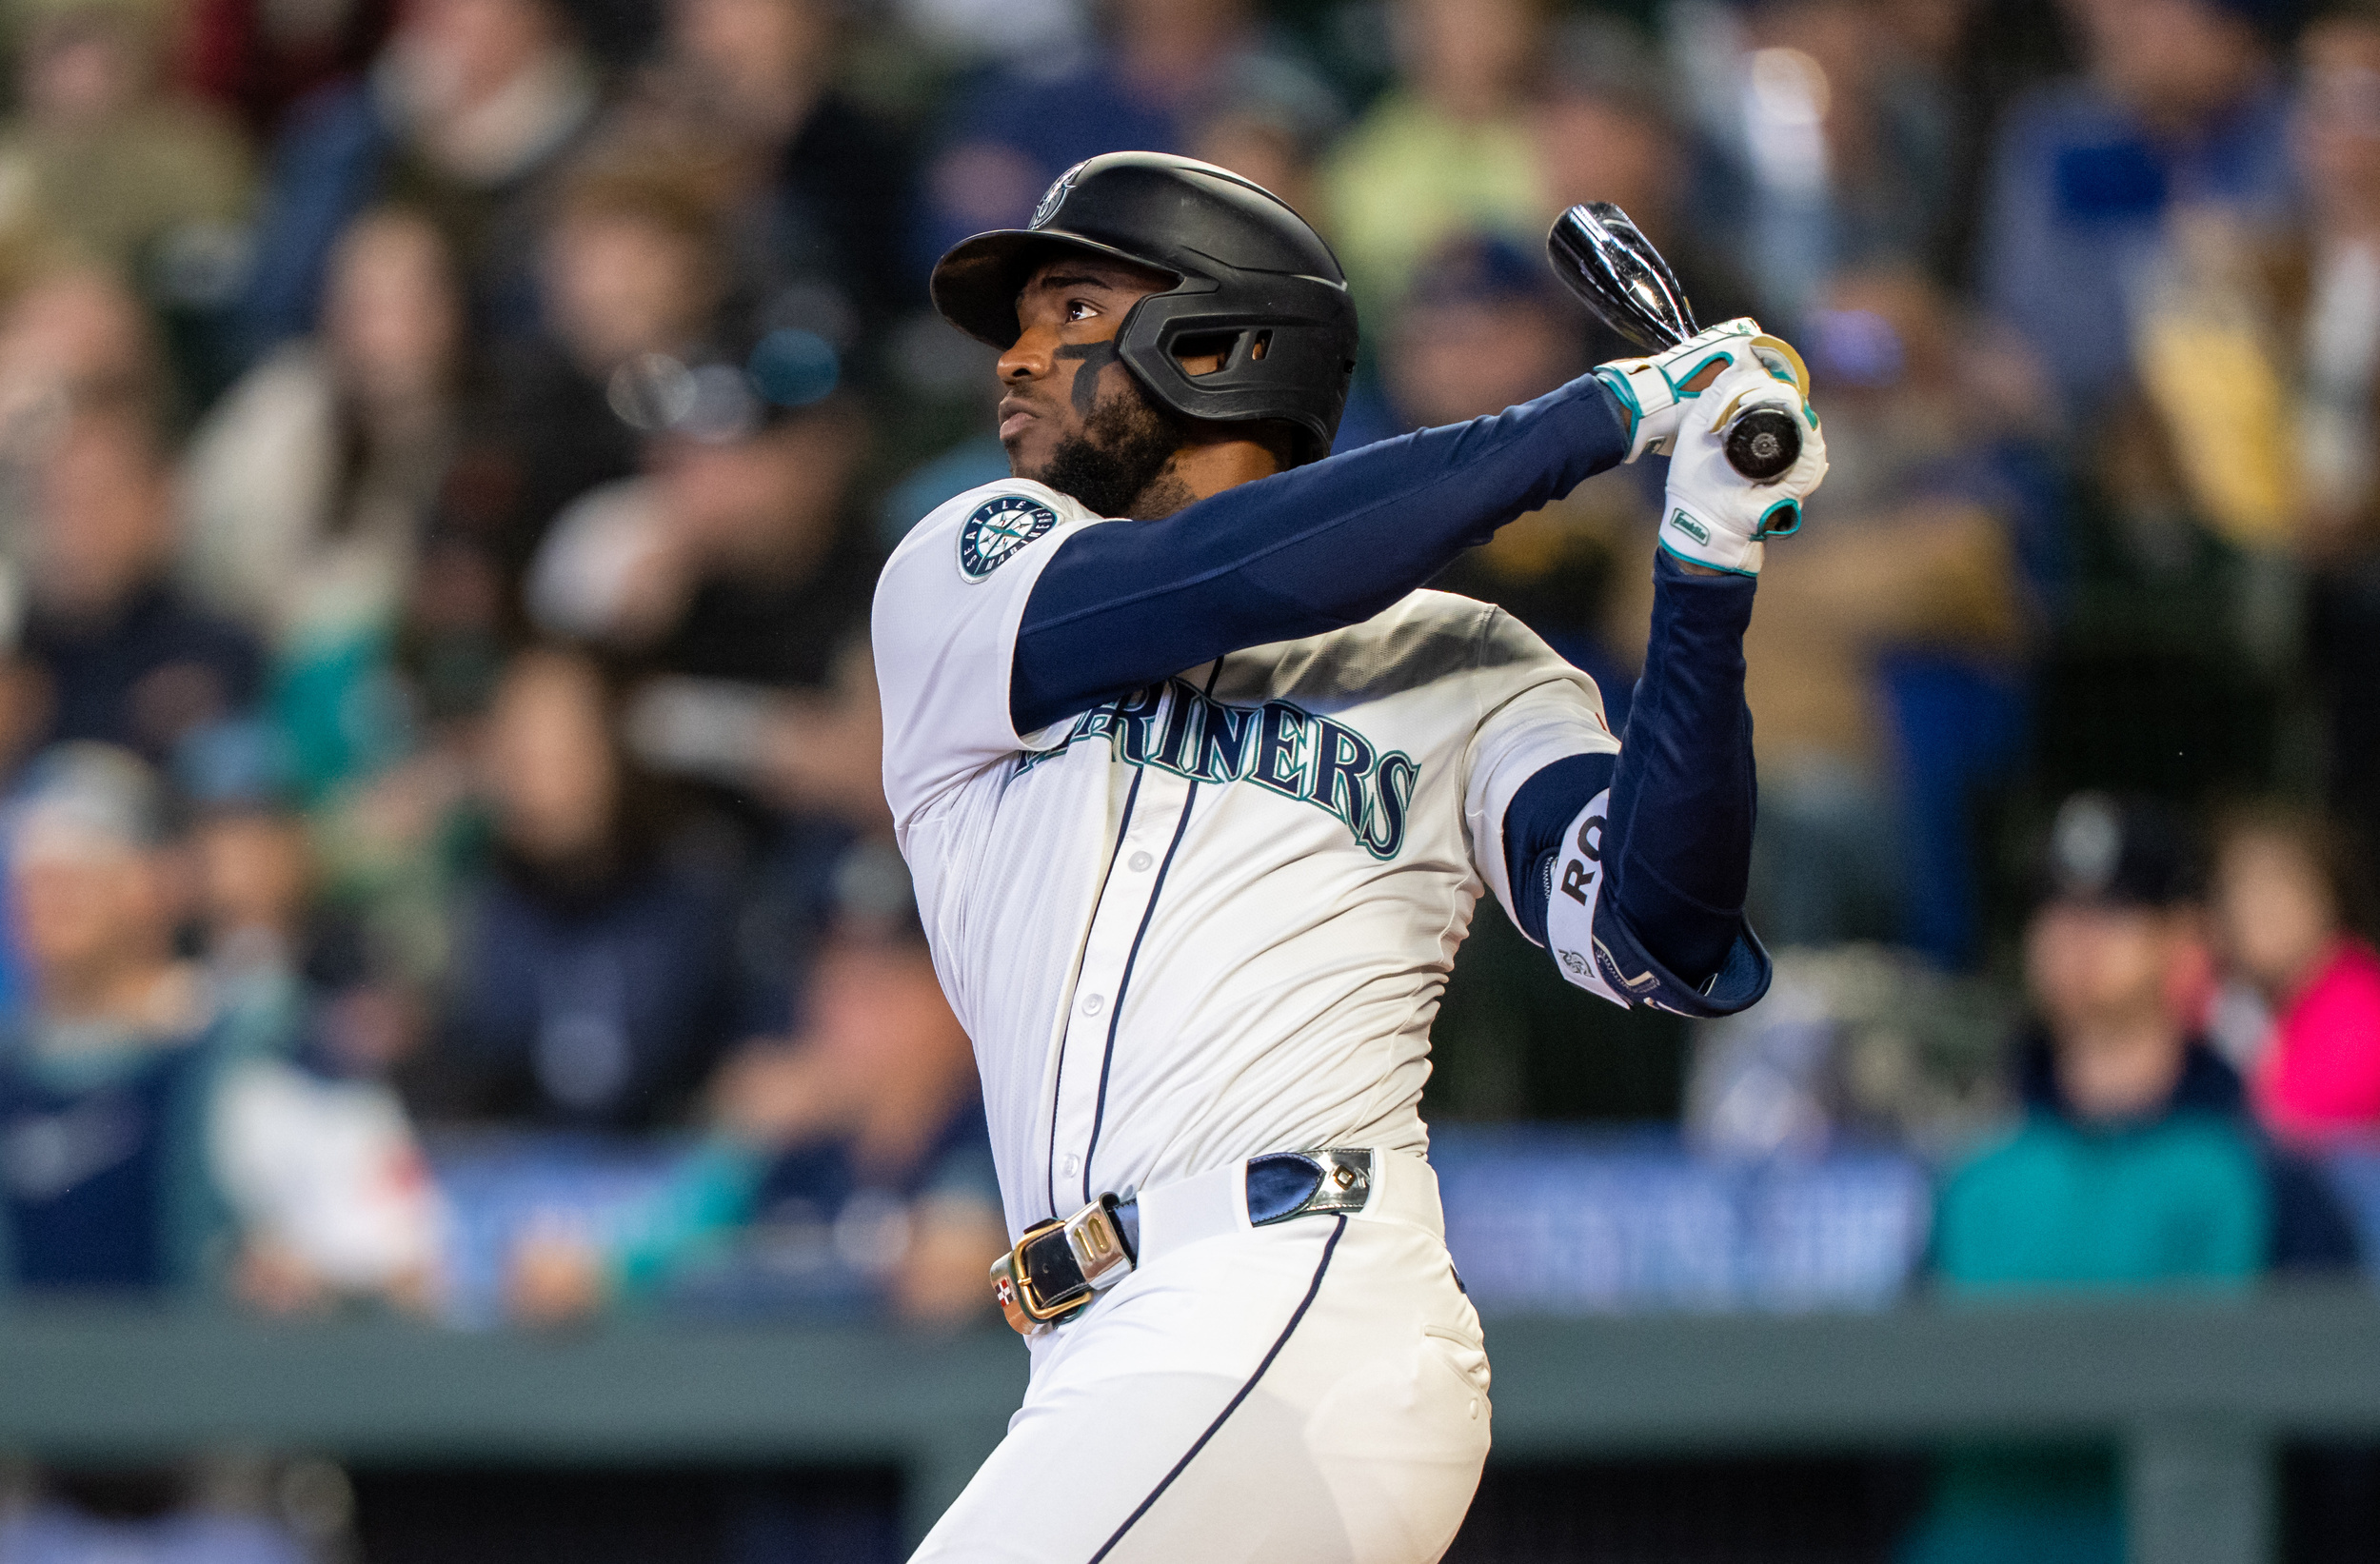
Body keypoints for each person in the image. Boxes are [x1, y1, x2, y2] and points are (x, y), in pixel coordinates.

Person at [875, 152, 1826, 1559]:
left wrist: (1704, 564)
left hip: (1300, 1292)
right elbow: (1232, 576)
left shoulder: (1468, 662)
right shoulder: (971, 562)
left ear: (1218, 344)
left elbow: (1658, 931)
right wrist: (1610, 408)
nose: (1016, 354)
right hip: (1094, 1346)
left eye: (1070, 307)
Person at [1910, 792, 2358, 1564]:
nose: (2077, 936)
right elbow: (1897, 1440)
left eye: (2117, 909)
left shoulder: (2267, 1178)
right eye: (2055, 908)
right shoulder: (1974, 1176)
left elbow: (2339, 1468)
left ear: (2186, 941)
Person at [506, 880, 1004, 1327]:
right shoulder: (795, 1147)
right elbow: (636, 1257)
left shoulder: (995, 1128)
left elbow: (953, 1272)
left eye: (875, 991)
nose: (839, 1018)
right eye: (828, 983)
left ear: (953, 1000)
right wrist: (741, 1142)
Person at [428, 646, 746, 1131]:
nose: (531, 775)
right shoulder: (476, 901)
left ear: (609, 751)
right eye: (518, 750)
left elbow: (745, 1064)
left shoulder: (698, 890)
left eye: (558, 747)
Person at [2209, 804, 2380, 1142]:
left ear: (2325, 897)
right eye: (2238, 890)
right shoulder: (2250, 1003)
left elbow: (2276, 1129)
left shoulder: (2361, 1011)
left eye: (2275, 887)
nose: (2252, 909)